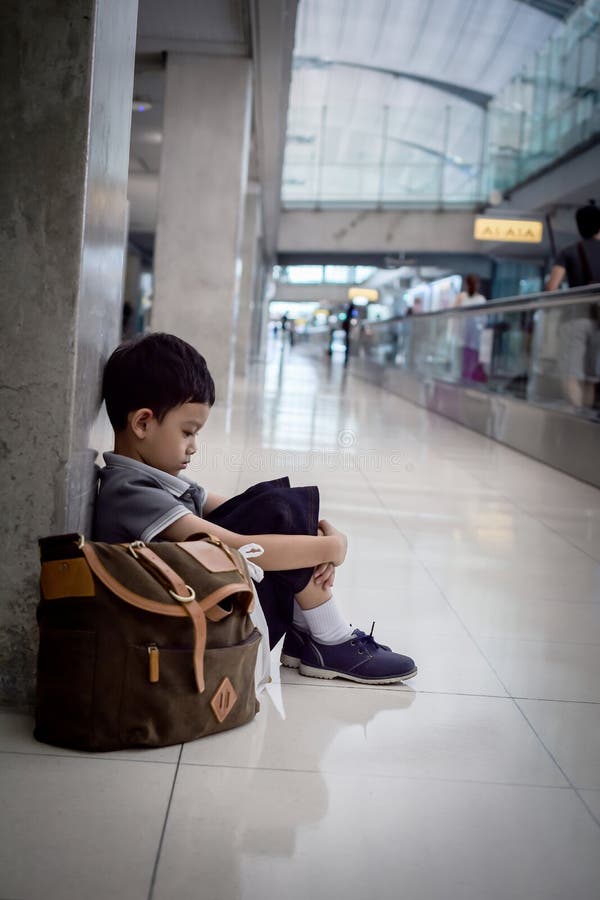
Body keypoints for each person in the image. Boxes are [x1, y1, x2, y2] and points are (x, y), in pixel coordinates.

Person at [94, 332, 417, 684]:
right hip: (175, 631)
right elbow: (236, 545)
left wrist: (315, 539)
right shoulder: (132, 492)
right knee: (276, 512)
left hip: (196, 610)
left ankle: (312, 634)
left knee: (277, 506)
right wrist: (330, 548)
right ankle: (329, 636)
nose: (194, 447)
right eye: (187, 432)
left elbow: (243, 509)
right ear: (142, 423)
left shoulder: (155, 480)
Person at [546, 201, 600, 408]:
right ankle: (587, 418)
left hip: (575, 317)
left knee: (571, 373)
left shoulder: (569, 252)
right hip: (599, 321)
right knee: (591, 375)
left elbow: (552, 288)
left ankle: (577, 415)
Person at [452, 274, 487, 382]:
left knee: (471, 361)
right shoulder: (462, 297)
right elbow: (453, 314)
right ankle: (463, 380)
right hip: (463, 337)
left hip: (474, 338)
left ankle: (468, 381)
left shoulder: (480, 299)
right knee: (462, 362)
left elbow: (482, 320)